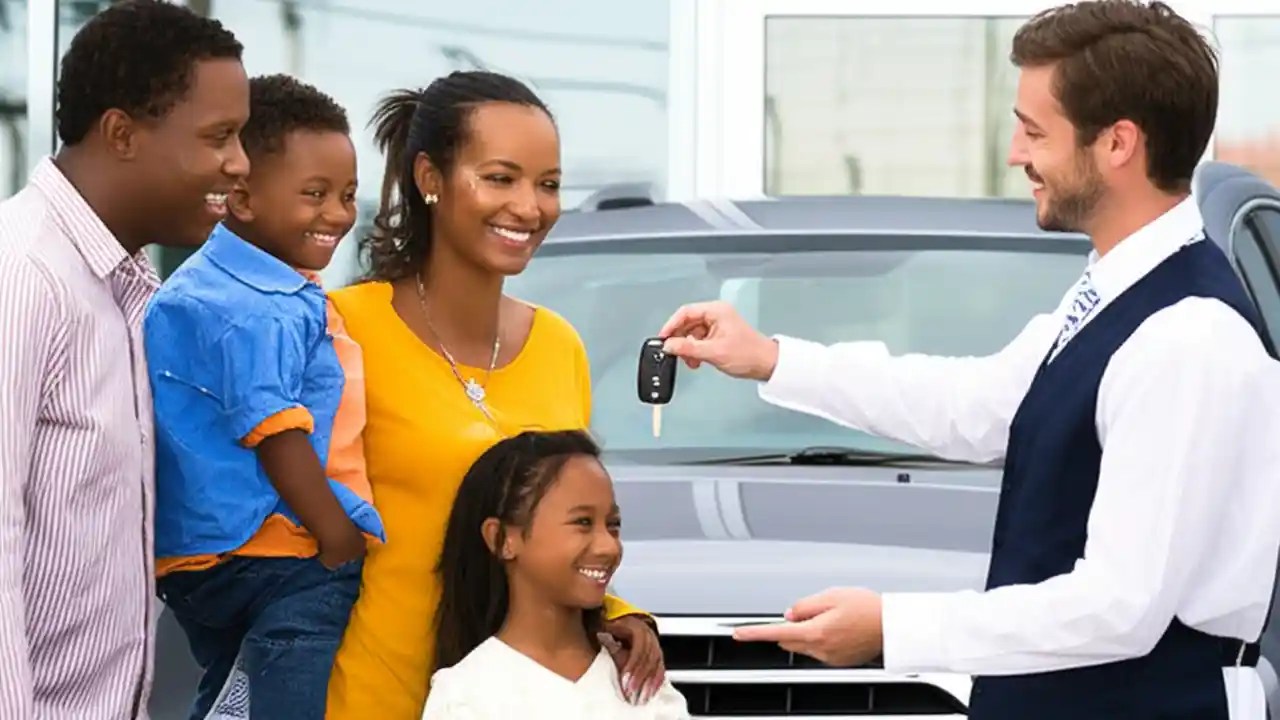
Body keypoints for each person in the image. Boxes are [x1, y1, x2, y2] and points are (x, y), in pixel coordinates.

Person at [657, 2, 1280, 719]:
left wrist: (893, 628)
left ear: (1118, 143)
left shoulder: (1188, 339)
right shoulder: (1113, 294)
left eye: (1034, 131)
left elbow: (1119, 607)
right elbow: (974, 406)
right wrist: (770, 359)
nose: (1015, 154)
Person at [323, 71, 667, 718]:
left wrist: (619, 614)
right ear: (430, 177)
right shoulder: (342, 328)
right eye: (501, 178)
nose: (530, 207)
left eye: (549, 184)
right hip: (375, 695)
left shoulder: (560, 346)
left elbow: (555, 526)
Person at [0, 1, 248, 717]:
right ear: (122, 134)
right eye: (219, 137)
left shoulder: (129, 288)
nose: (240, 164)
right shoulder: (23, 273)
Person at [143, 74, 385, 720]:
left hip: (196, 562)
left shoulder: (195, 287)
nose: (338, 214)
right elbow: (275, 430)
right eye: (315, 194)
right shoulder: (263, 306)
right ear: (243, 198)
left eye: (347, 195)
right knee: (293, 678)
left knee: (234, 686)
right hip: (272, 553)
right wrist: (337, 537)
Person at [422, 429, 690, 718]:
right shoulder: (465, 695)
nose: (609, 546)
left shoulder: (641, 682)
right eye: (582, 522)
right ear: (502, 538)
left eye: (613, 525)